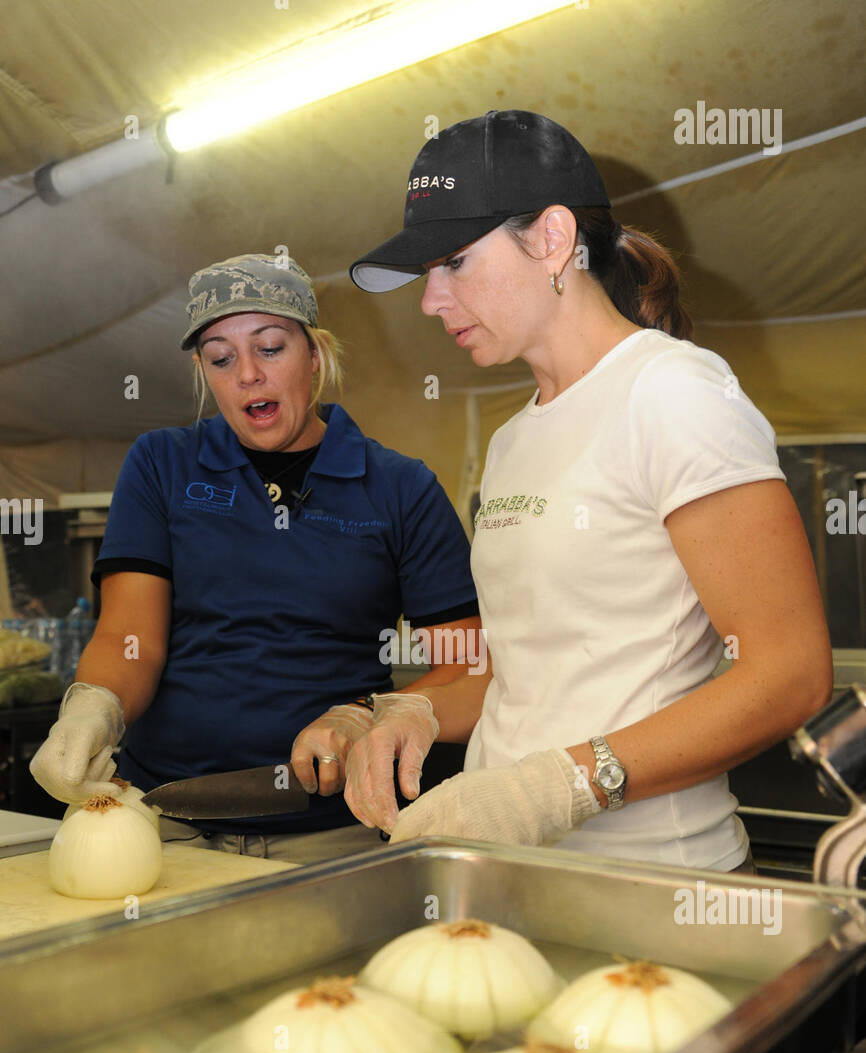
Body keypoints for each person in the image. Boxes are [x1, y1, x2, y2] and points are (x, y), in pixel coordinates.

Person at [341, 110, 833, 873]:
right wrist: (418, 711)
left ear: (552, 239)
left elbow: (789, 674)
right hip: (512, 868)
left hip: (653, 876)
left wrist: (559, 786)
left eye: (455, 264)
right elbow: (527, 672)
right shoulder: (511, 442)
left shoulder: (673, 393)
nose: (431, 302)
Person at [30, 253, 480, 860]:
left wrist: (367, 717)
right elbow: (129, 636)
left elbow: (469, 666)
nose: (247, 375)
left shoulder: (400, 487)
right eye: (220, 358)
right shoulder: (162, 464)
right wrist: (94, 708)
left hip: (332, 831)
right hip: (163, 818)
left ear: (315, 355)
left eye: (270, 348)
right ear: (203, 370)